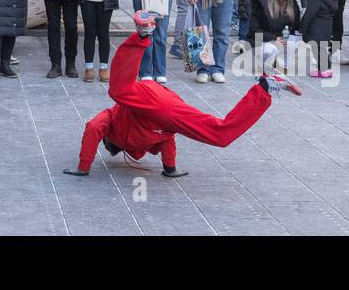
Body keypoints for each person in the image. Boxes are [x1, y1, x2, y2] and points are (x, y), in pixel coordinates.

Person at [62, 12, 285, 178]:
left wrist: (83, 167)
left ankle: (141, 37)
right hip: (162, 102)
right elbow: (167, 138)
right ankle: (265, 86)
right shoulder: (139, 136)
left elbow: (94, 128)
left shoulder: (112, 122)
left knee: (120, 92)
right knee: (220, 134)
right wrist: (170, 169)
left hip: (155, 103)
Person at [249, 0, 301, 73]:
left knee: (294, 41)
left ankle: (282, 66)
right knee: (271, 48)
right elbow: (254, 31)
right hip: (263, 41)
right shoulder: (261, 4)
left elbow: (295, 28)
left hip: (281, 40)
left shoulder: (292, 4)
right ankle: (264, 66)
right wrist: (273, 38)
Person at [301, 0, 340, 78]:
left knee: (317, 50)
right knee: (322, 48)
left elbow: (309, 14)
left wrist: (302, 27)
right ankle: (324, 68)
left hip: (316, 28)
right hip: (327, 28)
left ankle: (324, 70)